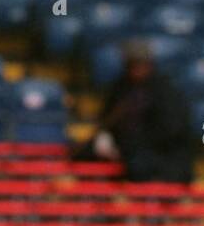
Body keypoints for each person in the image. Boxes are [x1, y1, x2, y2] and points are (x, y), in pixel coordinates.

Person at [83, 39, 193, 184]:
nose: (136, 69)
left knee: (139, 164)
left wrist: (132, 144)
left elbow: (171, 129)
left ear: (149, 64)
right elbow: (107, 118)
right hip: (125, 148)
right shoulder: (120, 87)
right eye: (132, 65)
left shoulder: (166, 90)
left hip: (160, 154)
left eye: (140, 64)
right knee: (86, 153)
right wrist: (107, 137)